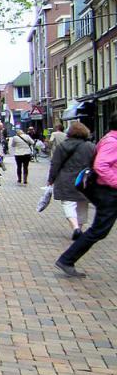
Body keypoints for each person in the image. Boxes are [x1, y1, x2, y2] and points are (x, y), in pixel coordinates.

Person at [55, 112, 117, 277]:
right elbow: (101, 166)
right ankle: (67, 259)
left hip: (109, 190)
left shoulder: (110, 139)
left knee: (99, 230)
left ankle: (67, 260)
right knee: (99, 230)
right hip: (109, 192)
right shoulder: (112, 142)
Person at [47, 121, 95, 241]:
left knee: (68, 203)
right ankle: (80, 227)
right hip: (84, 180)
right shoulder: (90, 146)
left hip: (66, 179)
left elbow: (55, 164)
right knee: (83, 203)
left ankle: (75, 228)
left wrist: (51, 179)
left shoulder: (62, 146)